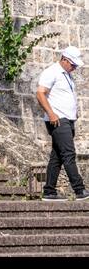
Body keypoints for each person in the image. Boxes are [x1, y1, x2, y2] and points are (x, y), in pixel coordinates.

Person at [35, 46, 87, 201]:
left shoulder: (67, 75)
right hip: (58, 120)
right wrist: (51, 113)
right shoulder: (52, 72)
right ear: (64, 59)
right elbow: (40, 93)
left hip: (67, 120)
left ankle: (49, 192)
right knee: (69, 154)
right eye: (73, 65)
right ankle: (79, 190)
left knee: (57, 156)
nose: (75, 68)